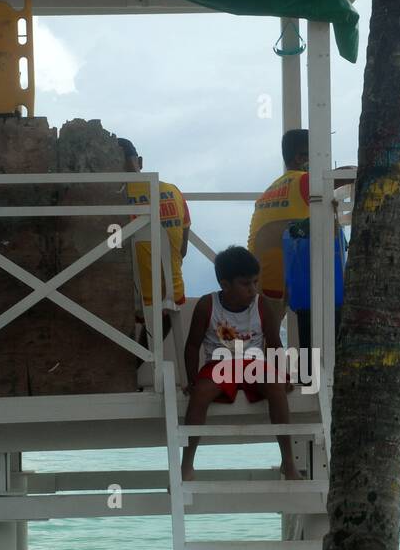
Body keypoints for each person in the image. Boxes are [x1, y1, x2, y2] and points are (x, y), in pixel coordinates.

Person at [180, 246, 300, 482]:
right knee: (201, 394)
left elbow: (275, 344)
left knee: (275, 388)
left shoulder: (262, 305)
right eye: (246, 284)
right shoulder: (207, 305)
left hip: (255, 363)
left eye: (255, 282)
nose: (253, 289)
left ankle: (288, 461)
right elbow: (192, 345)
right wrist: (192, 380)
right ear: (225, 285)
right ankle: (187, 462)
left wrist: (283, 376)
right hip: (220, 364)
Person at [247, 128, 345, 357]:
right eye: (319, 156)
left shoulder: (269, 190)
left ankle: (270, 370)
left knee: (267, 331)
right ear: (301, 158)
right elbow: (352, 175)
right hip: (293, 274)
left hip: (261, 277)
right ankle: (316, 369)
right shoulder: (306, 181)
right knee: (325, 295)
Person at [119, 137, 190, 342]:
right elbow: (182, 250)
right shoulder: (174, 191)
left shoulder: (113, 200)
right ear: (139, 162)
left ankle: (129, 364)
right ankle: (140, 359)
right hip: (171, 293)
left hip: (132, 298)